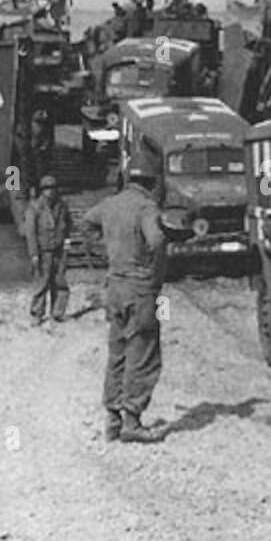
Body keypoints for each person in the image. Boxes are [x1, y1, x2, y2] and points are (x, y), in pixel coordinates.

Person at [80, 154, 168, 443]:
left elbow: (86, 223)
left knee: (117, 352)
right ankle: (133, 420)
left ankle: (113, 419)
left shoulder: (110, 204)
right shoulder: (147, 207)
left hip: (115, 287)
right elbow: (156, 241)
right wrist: (152, 274)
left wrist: (107, 251)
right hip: (139, 289)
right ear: (152, 182)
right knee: (143, 353)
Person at [24, 174, 72, 325]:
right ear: (42, 190)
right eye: (46, 189)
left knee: (60, 282)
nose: (50, 192)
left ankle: (58, 312)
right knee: (41, 283)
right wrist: (33, 254)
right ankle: (37, 314)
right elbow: (30, 232)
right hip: (43, 251)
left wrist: (67, 245)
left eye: (52, 188)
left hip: (58, 250)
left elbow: (69, 225)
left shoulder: (61, 206)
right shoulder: (35, 207)